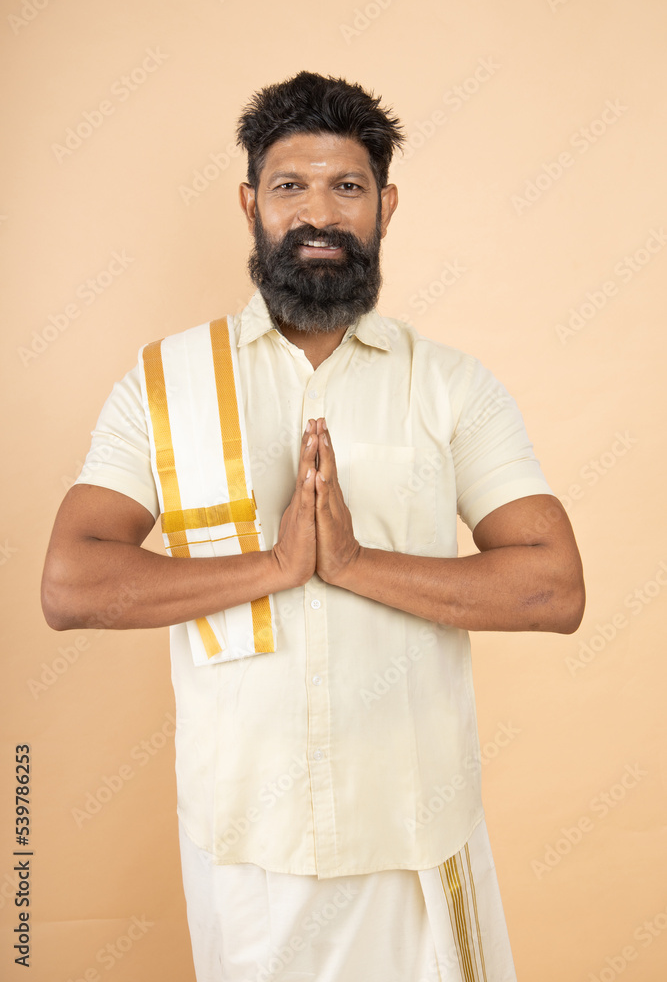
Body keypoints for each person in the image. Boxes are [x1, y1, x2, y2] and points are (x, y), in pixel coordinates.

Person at [42, 71, 585, 981]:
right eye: (291, 186)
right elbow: (69, 585)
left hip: (418, 838)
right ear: (251, 204)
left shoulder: (448, 384)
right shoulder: (165, 381)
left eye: (348, 187)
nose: (318, 214)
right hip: (247, 852)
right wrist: (277, 566)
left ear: (387, 206)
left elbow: (553, 587)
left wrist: (353, 562)